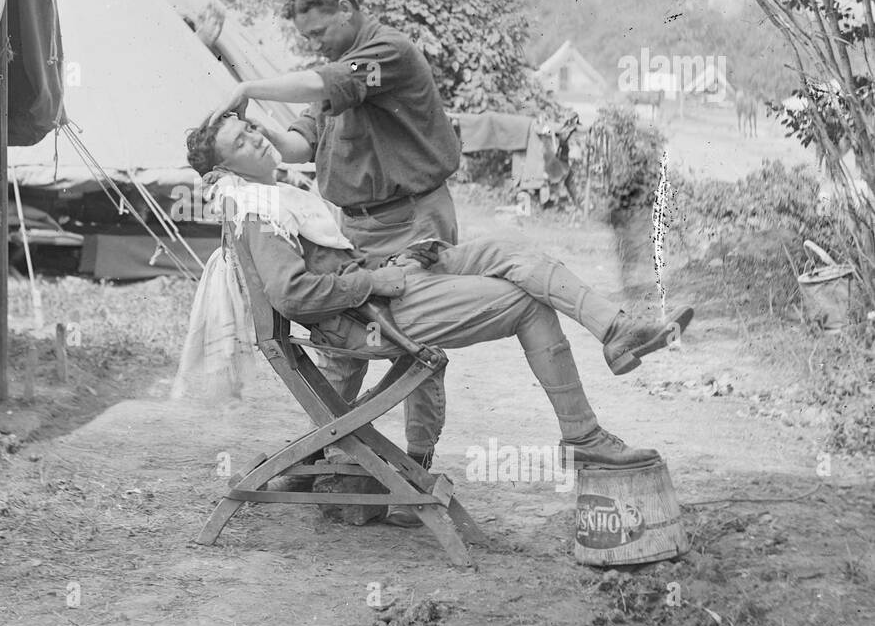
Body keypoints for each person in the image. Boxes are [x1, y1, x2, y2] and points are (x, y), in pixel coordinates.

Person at [184, 114, 694, 469]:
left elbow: (331, 260)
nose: (254, 138)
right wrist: (375, 279)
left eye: (249, 128)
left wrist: (397, 260)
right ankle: (582, 436)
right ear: (224, 169)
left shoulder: (273, 193)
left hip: (384, 283)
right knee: (523, 303)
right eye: (239, 142)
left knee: (514, 252)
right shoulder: (258, 211)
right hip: (370, 316)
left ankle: (617, 330)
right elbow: (294, 295)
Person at [209, 0, 461, 471]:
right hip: (356, 229)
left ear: (347, 8)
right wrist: (253, 126)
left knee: (418, 344)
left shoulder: (388, 54)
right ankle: (331, 447)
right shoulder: (333, 72)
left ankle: (415, 464)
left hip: (413, 220)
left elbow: (332, 82)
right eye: (307, 39)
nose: (316, 44)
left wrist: (249, 86)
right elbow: (300, 145)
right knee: (343, 340)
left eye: (320, 32)